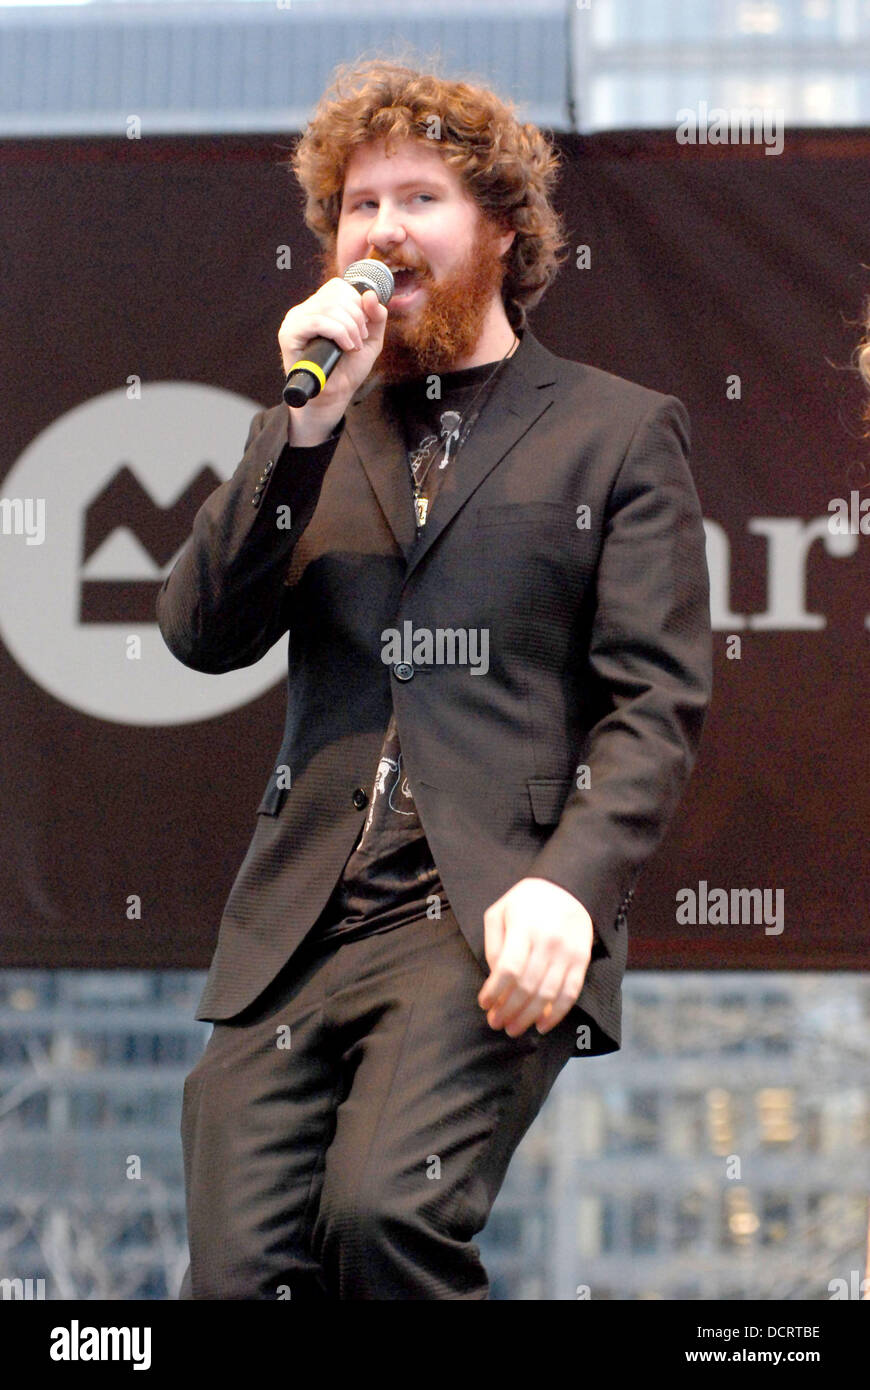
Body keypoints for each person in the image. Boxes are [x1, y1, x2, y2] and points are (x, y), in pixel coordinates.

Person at [157, 58, 713, 1300]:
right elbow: (200, 631)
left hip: (481, 915)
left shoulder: (614, 430)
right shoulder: (318, 426)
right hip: (294, 930)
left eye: (419, 199)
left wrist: (572, 891)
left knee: (379, 1219)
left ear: (502, 230)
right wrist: (294, 432)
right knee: (239, 1272)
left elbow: (655, 703)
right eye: (359, 205)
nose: (382, 229)